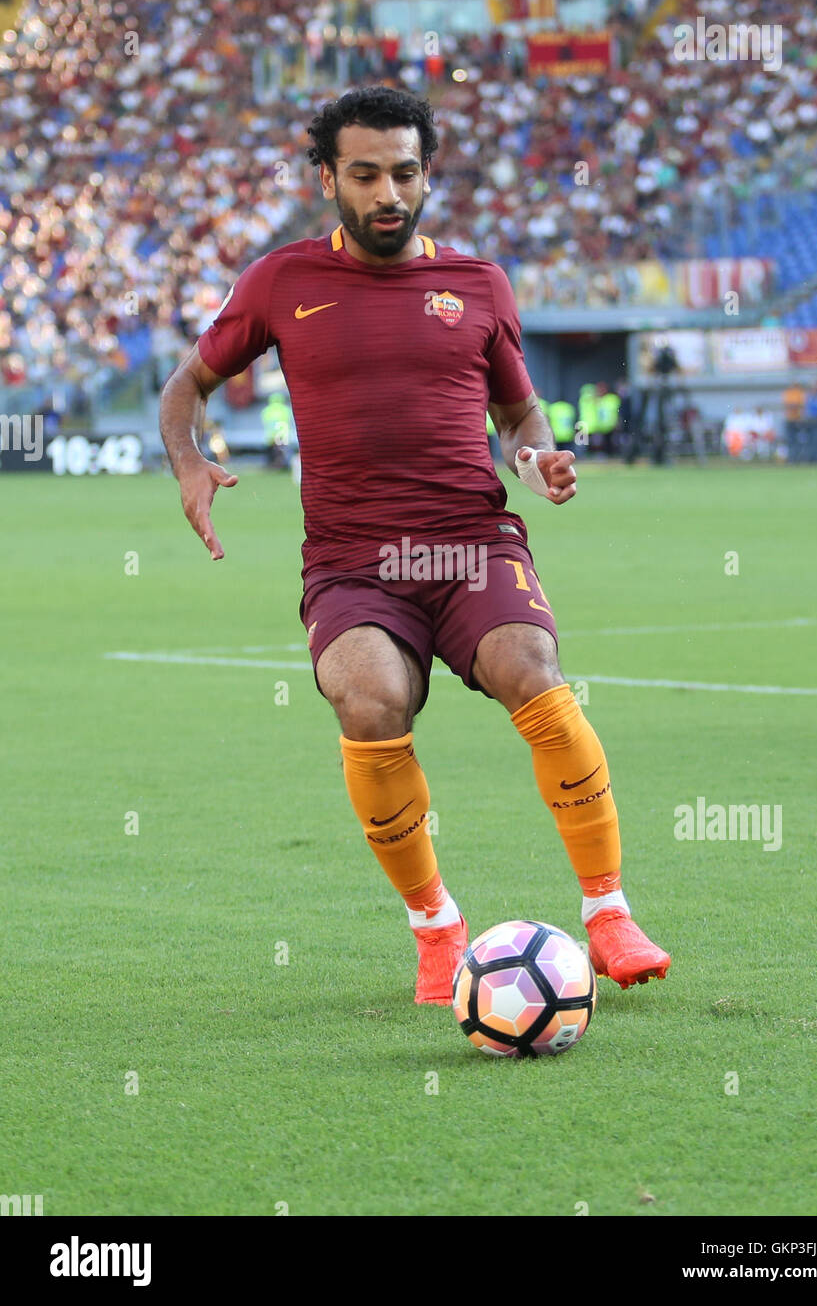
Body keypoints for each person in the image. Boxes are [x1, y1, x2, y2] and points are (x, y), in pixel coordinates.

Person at [158, 87, 670, 1004]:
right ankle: (436, 927)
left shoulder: (478, 283)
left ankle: (607, 912)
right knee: (367, 699)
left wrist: (536, 454)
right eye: (365, 174)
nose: (387, 191)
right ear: (328, 179)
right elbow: (186, 383)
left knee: (533, 669)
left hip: (468, 540)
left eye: (404, 171)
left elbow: (517, 409)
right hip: (354, 561)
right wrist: (189, 460)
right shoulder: (281, 282)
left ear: (426, 172)